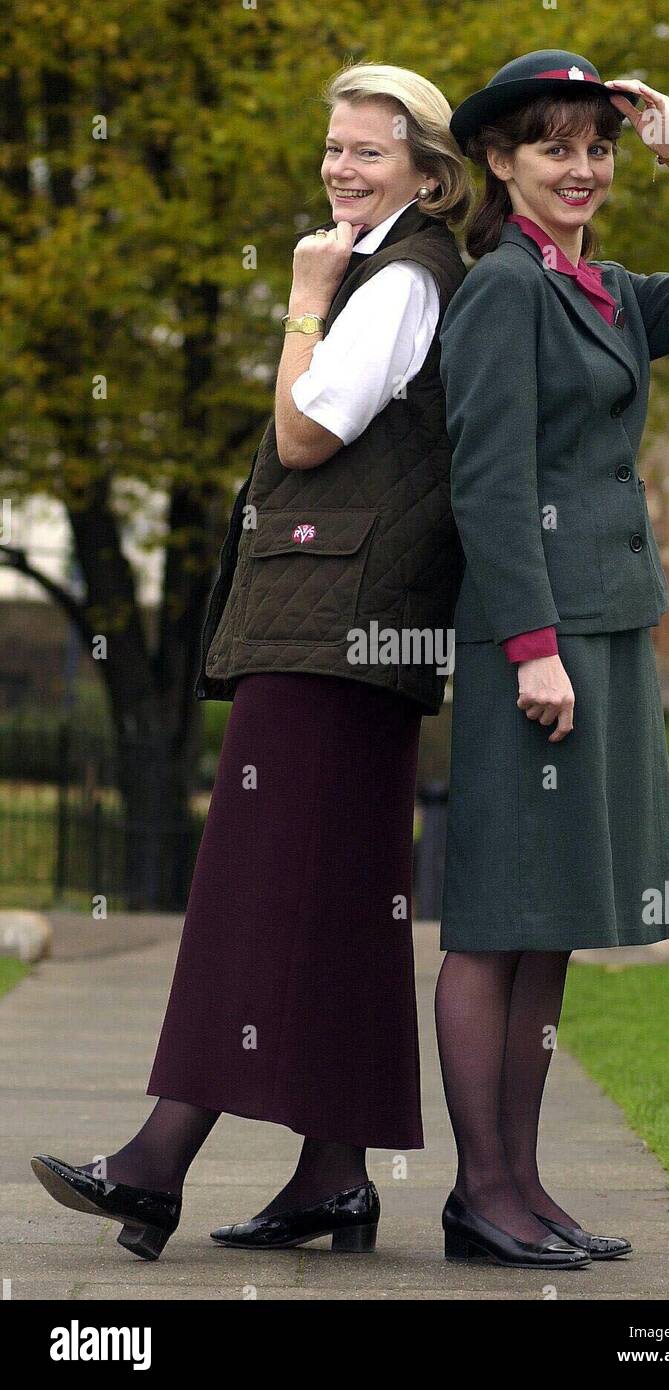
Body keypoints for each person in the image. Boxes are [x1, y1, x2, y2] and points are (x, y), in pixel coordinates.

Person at [31, 62, 470, 1261]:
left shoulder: (396, 279)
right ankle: (333, 1175)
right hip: (349, 630)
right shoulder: (402, 268)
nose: (340, 167)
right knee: (341, 904)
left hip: (329, 628)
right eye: (333, 146)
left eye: (368, 150)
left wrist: (301, 296)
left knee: (254, 889)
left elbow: (304, 430)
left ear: (427, 172)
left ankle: (155, 1164)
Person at [435, 48, 669, 1269]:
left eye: (596, 148)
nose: (581, 168)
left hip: (604, 626)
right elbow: (488, 480)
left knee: (553, 920)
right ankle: (480, 1193)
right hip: (535, 638)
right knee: (496, 919)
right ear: (499, 161)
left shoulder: (610, 292)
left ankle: (523, 1188)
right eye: (554, 148)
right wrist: (533, 649)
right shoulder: (503, 290)